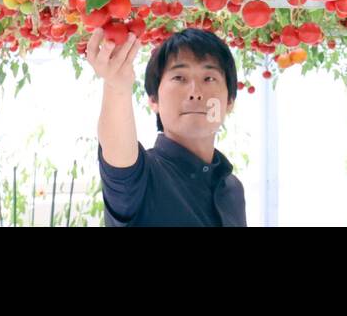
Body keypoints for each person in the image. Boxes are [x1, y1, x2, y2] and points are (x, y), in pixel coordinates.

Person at [84, 25, 247, 227]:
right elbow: (117, 149)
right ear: (154, 100)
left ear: (230, 101)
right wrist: (116, 87)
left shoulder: (232, 188)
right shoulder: (141, 178)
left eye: (209, 78)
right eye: (179, 78)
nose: (195, 92)